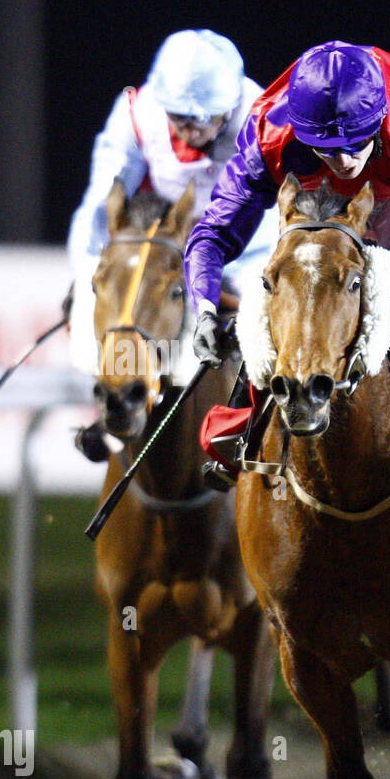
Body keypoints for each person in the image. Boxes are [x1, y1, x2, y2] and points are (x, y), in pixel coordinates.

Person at [182, 40, 390, 490]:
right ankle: (243, 428)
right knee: (278, 294)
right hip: (308, 215)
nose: (343, 160)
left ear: (379, 118)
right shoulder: (269, 125)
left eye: (355, 143)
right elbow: (213, 235)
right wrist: (203, 308)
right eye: (326, 146)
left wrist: (381, 277)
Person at [66, 29, 277, 460]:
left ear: (230, 107)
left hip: (246, 241)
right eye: (178, 117)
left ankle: (271, 427)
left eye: (202, 119)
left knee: (258, 319)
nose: (189, 130)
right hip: (164, 243)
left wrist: (221, 277)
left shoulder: (260, 121)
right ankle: (120, 410)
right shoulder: (136, 113)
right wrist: (91, 268)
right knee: (106, 299)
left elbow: (265, 215)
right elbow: (99, 204)